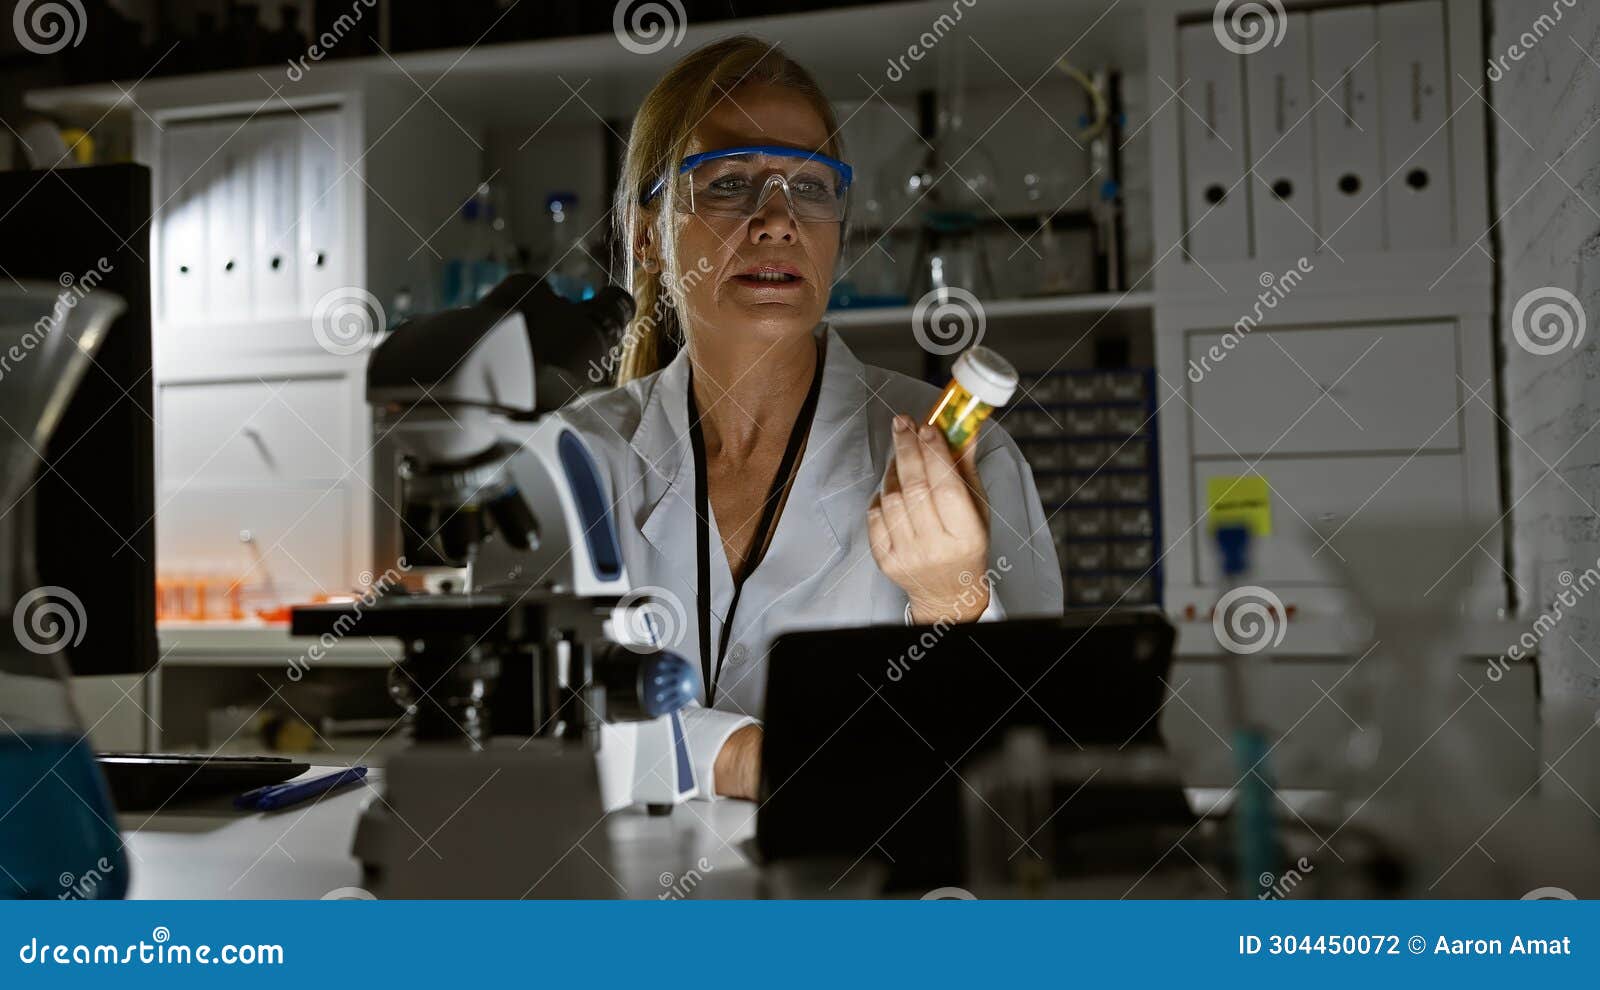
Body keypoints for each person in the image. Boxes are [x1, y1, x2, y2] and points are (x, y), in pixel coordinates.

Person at [556, 35, 1062, 800]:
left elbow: (1032, 760)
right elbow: (528, 722)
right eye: (729, 181)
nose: (777, 219)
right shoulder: (577, 459)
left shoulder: (964, 459)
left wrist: (955, 599)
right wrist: (739, 755)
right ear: (648, 234)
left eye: (811, 186)